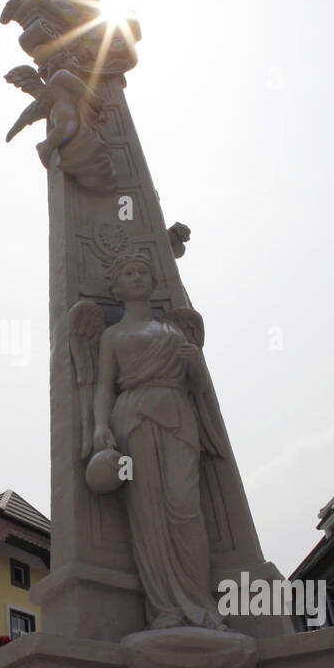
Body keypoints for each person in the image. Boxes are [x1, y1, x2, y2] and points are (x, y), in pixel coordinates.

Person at [91, 253, 225, 630]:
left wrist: (196, 363)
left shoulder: (173, 332)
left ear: (152, 282)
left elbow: (198, 388)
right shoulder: (112, 335)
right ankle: (164, 607)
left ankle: (200, 604)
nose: (136, 276)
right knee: (147, 512)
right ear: (116, 287)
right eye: (129, 272)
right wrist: (99, 425)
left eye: (142, 271)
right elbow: (104, 385)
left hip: (178, 414)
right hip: (132, 417)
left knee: (185, 506)